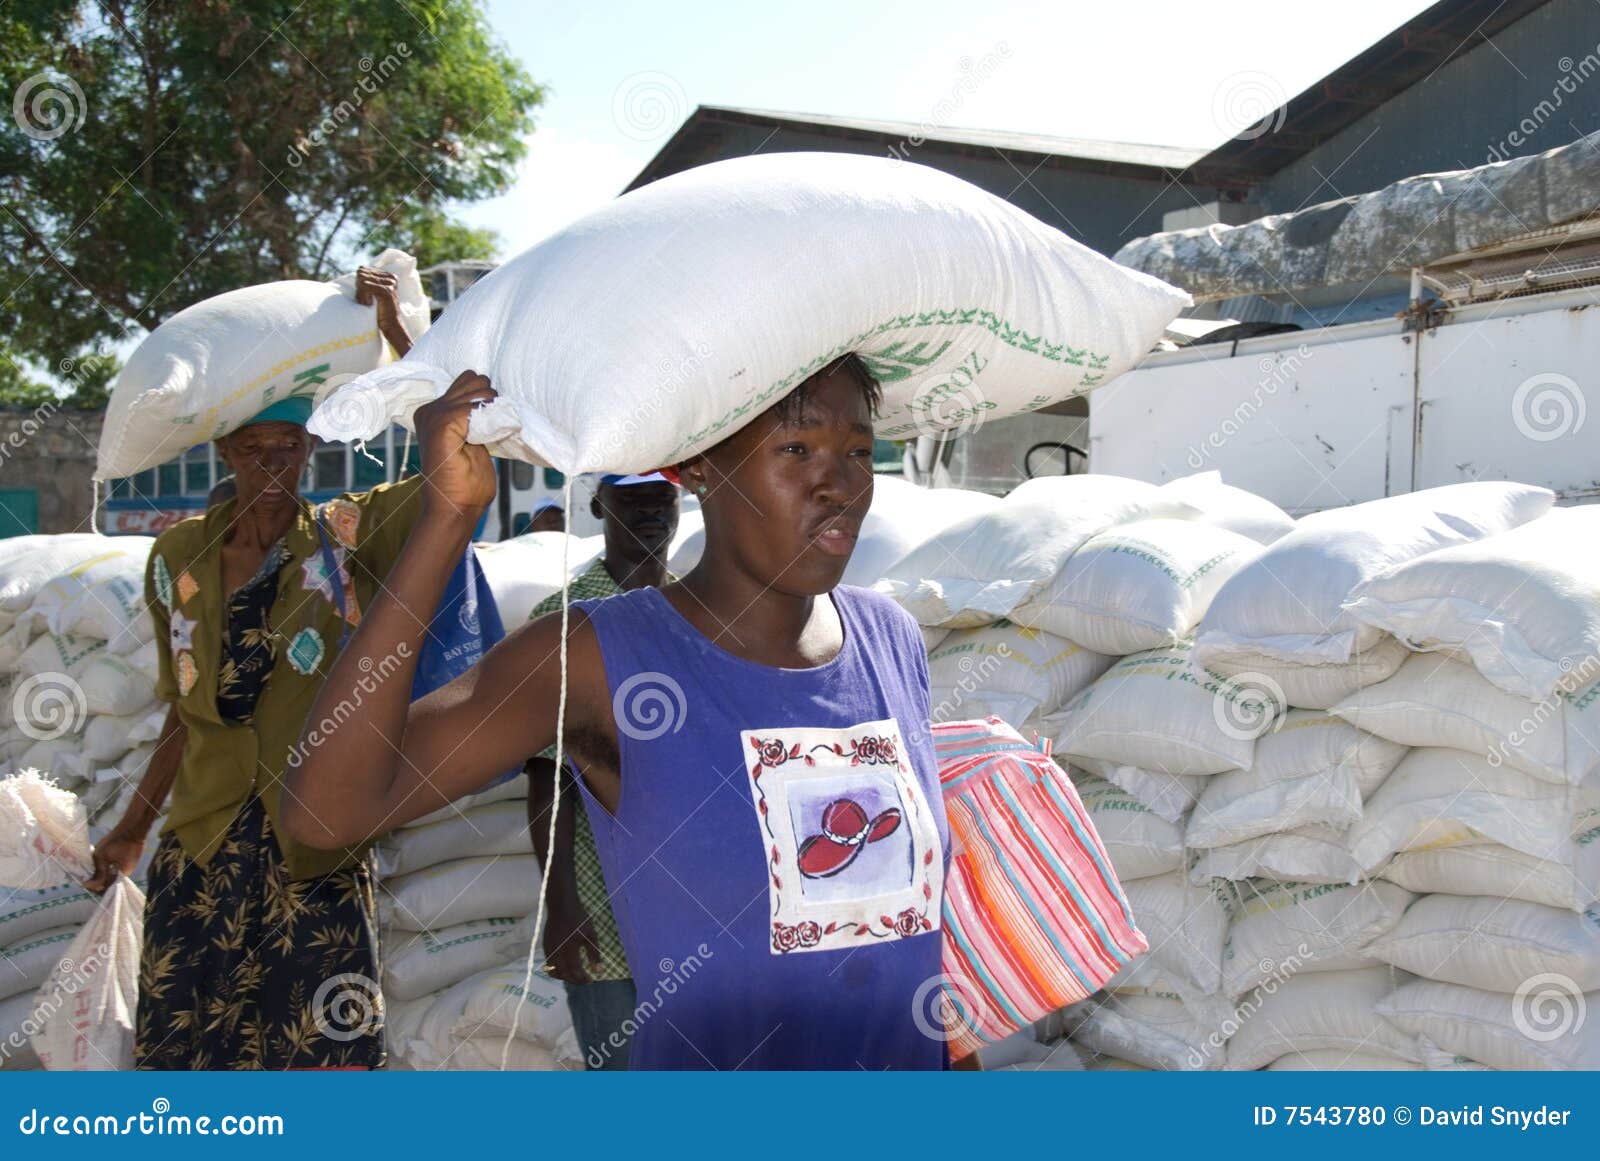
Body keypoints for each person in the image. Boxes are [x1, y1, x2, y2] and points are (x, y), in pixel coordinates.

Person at [283, 353, 950, 1070]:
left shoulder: (891, 638)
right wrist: (445, 522)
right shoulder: (598, 654)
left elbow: (914, 938)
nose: (839, 484)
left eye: (857, 450)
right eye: (797, 447)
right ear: (696, 465)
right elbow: (327, 809)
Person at [85, 267, 423, 1070]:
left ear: (309, 449)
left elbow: (458, 469)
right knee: (191, 1057)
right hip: (202, 846)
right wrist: (131, 830)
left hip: (314, 843)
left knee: (322, 1059)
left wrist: (399, 334)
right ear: (225, 452)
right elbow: (182, 711)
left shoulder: (343, 534)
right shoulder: (178, 558)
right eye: (253, 449)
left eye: (288, 447)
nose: (273, 464)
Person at [525, 470, 679, 1070]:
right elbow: (547, 779)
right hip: (602, 906)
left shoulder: (697, 612)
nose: (649, 511)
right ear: (598, 504)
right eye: (631, 497)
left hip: (691, 907)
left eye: (660, 495)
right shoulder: (565, 618)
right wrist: (561, 906)